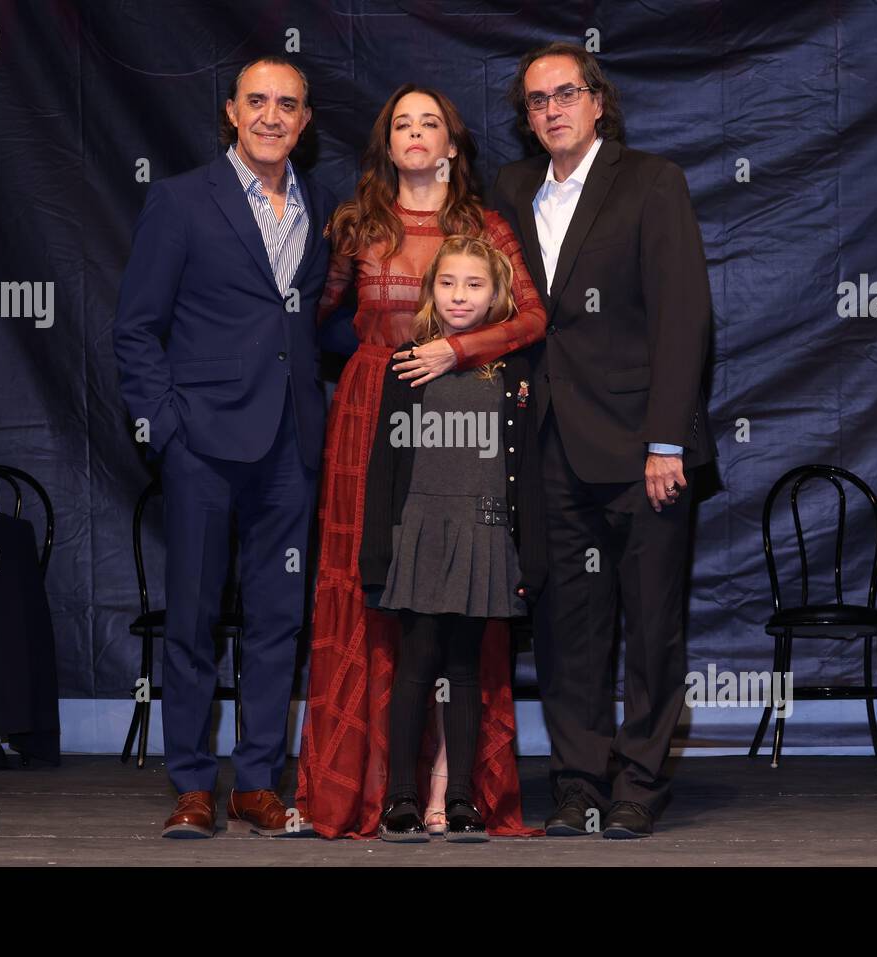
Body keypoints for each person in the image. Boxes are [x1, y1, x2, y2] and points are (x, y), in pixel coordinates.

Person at [296, 84, 547, 839]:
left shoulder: (482, 225)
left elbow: (532, 315)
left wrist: (456, 348)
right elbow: (316, 315)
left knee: (464, 606)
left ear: (451, 145)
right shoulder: (357, 223)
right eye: (401, 123)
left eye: (429, 123)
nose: (414, 133)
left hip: (464, 411)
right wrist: (374, 359)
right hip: (372, 413)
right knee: (374, 593)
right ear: (386, 142)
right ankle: (372, 784)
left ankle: (451, 782)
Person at [490, 42, 717, 839]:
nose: (550, 109)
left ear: (597, 102)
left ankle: (640, 783)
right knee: (564, 628)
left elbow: (683, 316)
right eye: (536, 100)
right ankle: (578, 783)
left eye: (565, 94)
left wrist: (667, 442)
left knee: (652, 625)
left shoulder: (652, 182)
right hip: (547, 446)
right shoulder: (512, 190)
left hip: (640, 449)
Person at [113, 56, 338, 838]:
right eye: (258, 102)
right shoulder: (180, 200)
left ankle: (258, 782)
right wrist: (167, 426)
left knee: (279, 620)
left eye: (288, 104)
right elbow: (136, 326)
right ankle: (192, 785)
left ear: (305, 121)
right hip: (202, 445)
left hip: (290, 445)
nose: (273, 116)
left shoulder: (324, 206)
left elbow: (314, 325)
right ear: (232, 115)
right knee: (194, 620)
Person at [359, 236, 547, 842]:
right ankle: (401, 798)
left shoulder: (515, 370)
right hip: (420, 529)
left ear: (497, 296)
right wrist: (380, 552)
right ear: (429, 291)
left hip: (486, 529)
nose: (460, 295)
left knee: (465, 667)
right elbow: (386, 466)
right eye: (448, 283)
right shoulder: (407, 363)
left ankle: (462, 797)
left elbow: (531, 472)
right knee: (416, 662)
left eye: (474, 285)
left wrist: (529, 552)